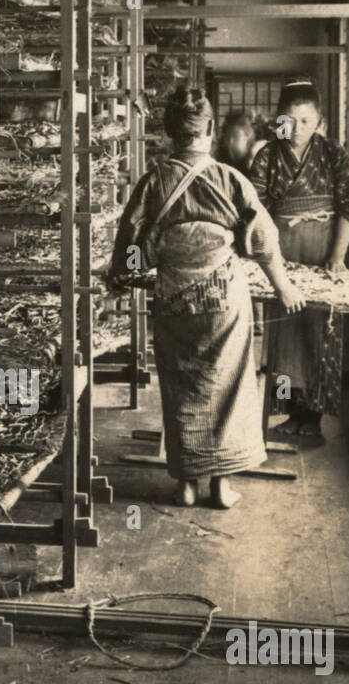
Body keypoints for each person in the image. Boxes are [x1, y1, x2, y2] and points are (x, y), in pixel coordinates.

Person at [108, 84, 303, 509]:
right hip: (224, 302)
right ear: (211, 129)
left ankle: (186, 485)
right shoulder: (230, 180)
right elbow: (264, 240)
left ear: (168, 132)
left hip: (175, 299)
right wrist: (282, 286)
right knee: (229, 387)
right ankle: (221, 486)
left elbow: (131, 246)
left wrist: (130, 274)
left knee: (182, 388)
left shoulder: (154, 181)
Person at [248, 79, 349, 437]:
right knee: (284, 339)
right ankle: (287, 410)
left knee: (320, 335)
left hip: (323, 253)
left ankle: (312, 418)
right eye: (290, 120)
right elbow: (255, 209)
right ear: (278, 120)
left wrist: (337, 257)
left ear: (320, 123)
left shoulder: (333, 153)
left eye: (306, 121)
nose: (297, 129)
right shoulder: (268, 156)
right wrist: (265, 260)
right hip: (280, 255)